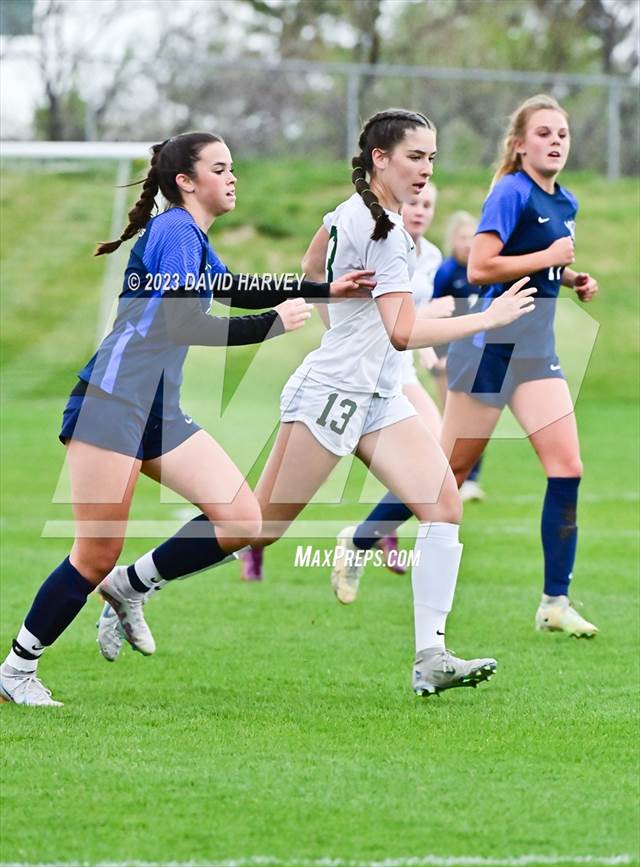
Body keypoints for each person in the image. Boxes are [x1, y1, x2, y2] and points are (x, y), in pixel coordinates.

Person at [96, 109, 534, 697]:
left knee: (443, 508)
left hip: (379, 393)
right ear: (380, 159)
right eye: (414, 156)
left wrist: (341, 320)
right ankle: (131, 581)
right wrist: (490, 316)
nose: (426, 168)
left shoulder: (359, 217)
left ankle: (430, 655)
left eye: (431, 157)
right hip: (333, 393)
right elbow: (404, 331)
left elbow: (312, 263)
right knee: (262, 527)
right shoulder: (382, 230)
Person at [0, 131, 373, 706]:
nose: (232, 177)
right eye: (220, 168)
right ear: (186, 181)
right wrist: (272, 324)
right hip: (112, 401)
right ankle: (16, 671)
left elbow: (233, 288)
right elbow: (181, 324)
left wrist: (324, 288)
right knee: (94, 551)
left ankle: (130, 586)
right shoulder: (174, 229)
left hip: (156, 409)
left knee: (242, 519)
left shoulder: (193, 238)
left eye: (233, 167)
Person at [440, 94, 599, 638]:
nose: (556, 141)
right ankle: (361, 541)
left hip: (536, 355)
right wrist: (551, 259)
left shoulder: (566, 202)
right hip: (493, 350)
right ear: (520, 144)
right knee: (448, 476)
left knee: (567, 468)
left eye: (563, 134)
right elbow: (481, 266)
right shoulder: (509, 191)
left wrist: (575, 280)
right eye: (545, 133)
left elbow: (544, 267)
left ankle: (554, 602)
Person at [238, 182, 452, 583]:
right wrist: (335, 323)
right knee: (262, 524)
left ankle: (372, 540)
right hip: (353, 376)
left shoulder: (430, 255)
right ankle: (148, 575)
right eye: (416, 198)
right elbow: (316, 269)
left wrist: (428, 331)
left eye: (428, 203)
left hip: (392, 375)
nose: (421, 207)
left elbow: (404, 316)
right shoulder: (377, 232)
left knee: (442, 487)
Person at [431, 211, 487, 503]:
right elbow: (434, 314)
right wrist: (439, 356)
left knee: (478, 419)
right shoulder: (446, 272)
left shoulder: (484, 270)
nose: (467, 244)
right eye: (462, 238)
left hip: (478, 356)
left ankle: (471, 480)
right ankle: (446, 478)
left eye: (472, 238)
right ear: (453, 240)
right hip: (449, 358)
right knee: (452, 421)